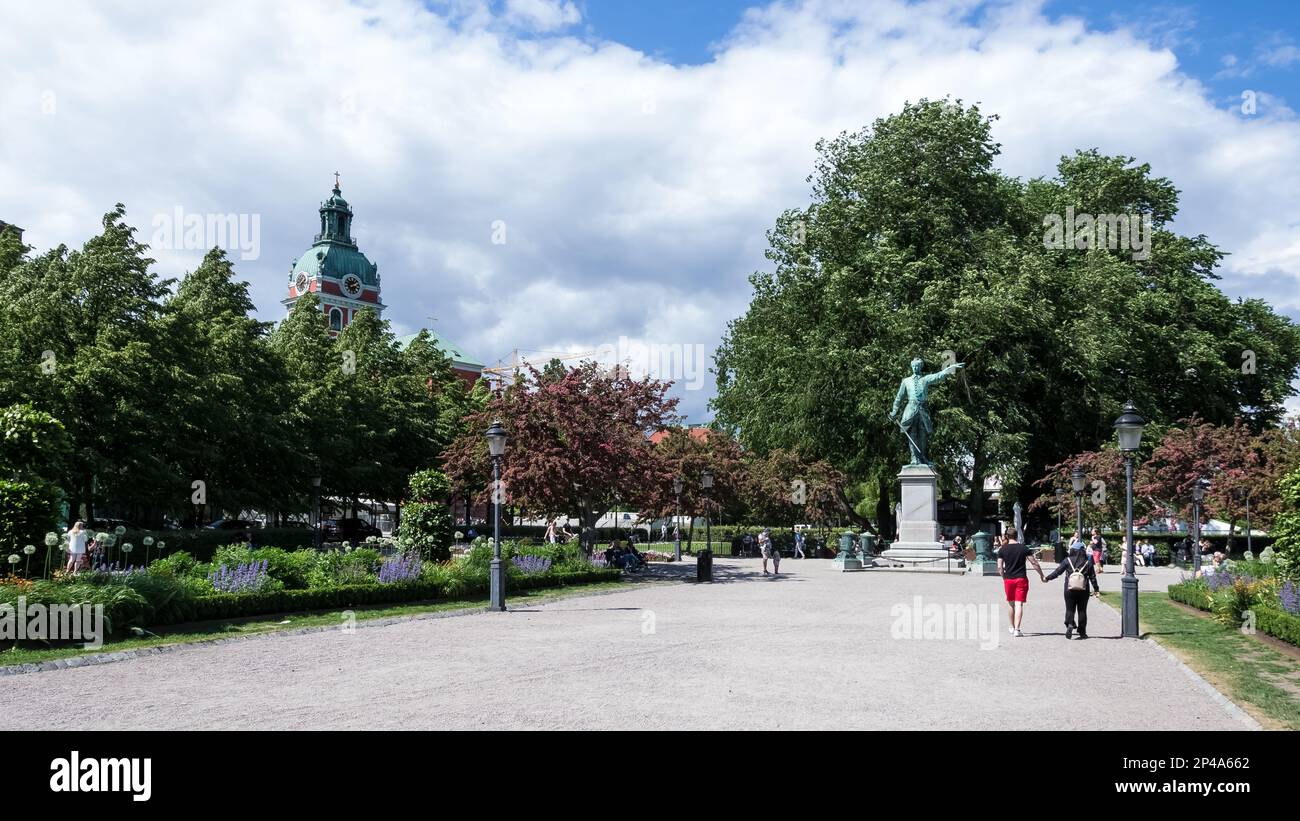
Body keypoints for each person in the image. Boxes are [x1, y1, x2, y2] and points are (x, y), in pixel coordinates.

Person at [1038, 542, 1101, 639]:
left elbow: (1057, 572)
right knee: (1082, 610)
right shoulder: (1087, 562)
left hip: (1069, 588)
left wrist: (1047, 578)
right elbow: (1093, 577)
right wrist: (1096, 589)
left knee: (1070, 608)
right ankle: (1082, 632)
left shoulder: (1067, 560)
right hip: (1084, 589)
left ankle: (1070, 623)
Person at [997, 527, 1038, 637]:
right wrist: (1042, 575)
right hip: (1021, 578)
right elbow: (1034, 563)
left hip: (1009, 579)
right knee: (1019, 604)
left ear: (1006, 536)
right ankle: (1017, 630)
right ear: (1017, 536)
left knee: (1011, 603)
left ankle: (1011, 626)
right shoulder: (1024, 548)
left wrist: (1004, 577)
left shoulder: (1002, 549)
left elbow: (1000, 567)